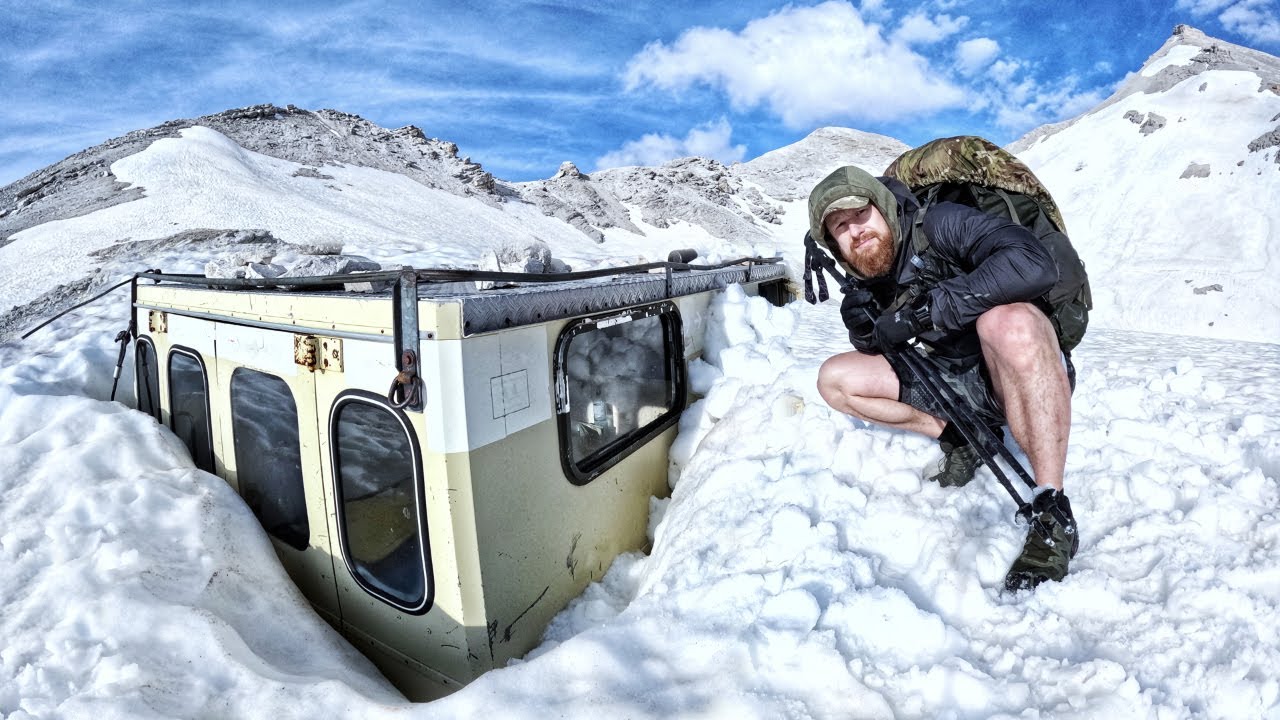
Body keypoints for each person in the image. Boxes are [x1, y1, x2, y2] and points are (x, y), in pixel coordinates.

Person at [808, 165, 1079, 592]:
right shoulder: (868, 273)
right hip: (952, 378)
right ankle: (963, 436)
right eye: (840, 227)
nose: (855, 230)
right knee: (835, 379)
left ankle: (1051, 506)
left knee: (1009, 322)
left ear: (883, 207)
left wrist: (922, 313)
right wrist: (866, 329)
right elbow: (891, 344)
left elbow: (1032, 264)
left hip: (1012, 369)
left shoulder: (941, 223)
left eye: (860, 214)